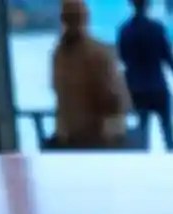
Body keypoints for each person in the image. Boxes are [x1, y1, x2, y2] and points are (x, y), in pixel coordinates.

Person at [52, 0, 131, 150]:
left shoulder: (60, 55)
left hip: (86, 139)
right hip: (90, 140)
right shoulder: (98, 53)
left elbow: (114, 99)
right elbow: (116, 99)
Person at [117, 0, 173, 151]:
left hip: (137, 89)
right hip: (158, 87)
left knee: (141, 138)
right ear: (148, 4)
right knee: (169, 136)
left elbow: (122, 59)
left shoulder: (125, 31)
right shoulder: (157, 29)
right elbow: (170, 59)